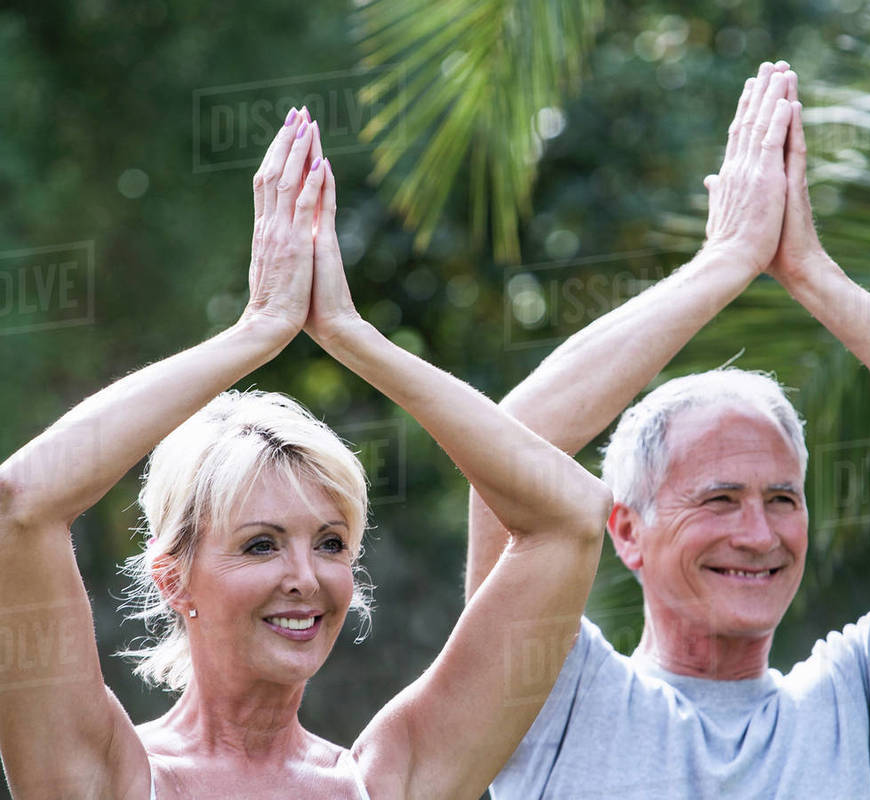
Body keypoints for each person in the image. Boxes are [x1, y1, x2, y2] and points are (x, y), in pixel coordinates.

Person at [469, 62, 870, 798]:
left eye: (782, 499)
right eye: (719, 500)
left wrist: (812, 273)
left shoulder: (864, 707)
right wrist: (722, 265)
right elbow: (505, 446)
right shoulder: (549, 696)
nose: (759, 533)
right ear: (625, 530)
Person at [0, 108, 613, 800]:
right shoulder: (106, 776)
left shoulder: (385, 779)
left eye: (329, 543)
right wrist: (257, 330)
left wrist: (352, 334)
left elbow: (573, 517)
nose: (306, 577)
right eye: (262, 544)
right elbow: (20, 502)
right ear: (172, 578)